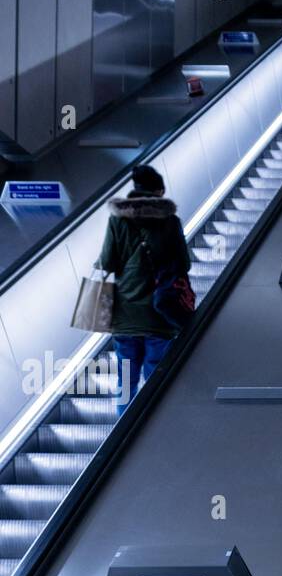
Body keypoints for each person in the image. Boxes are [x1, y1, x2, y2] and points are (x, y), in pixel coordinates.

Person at [97, 164, 193, 416]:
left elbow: (107, 262)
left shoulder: (117, 220)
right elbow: (185, 264)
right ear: (159, 191)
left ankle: (122, 430)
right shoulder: (170, 221)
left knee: (125, 380)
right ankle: (149, 429)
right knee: (154, 377)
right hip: (160, 313)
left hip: (125, 317)